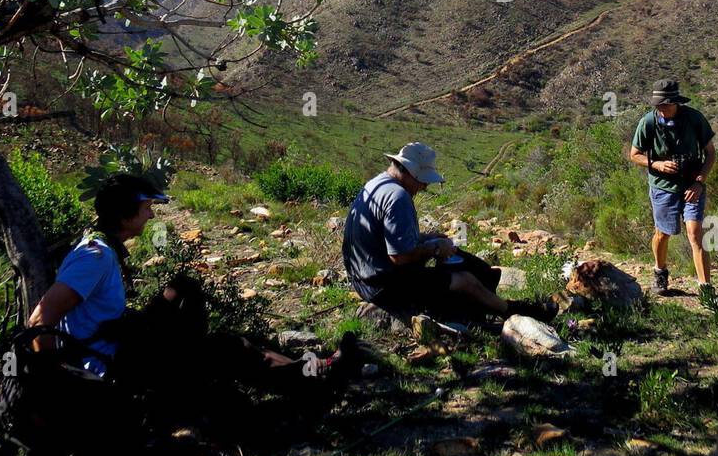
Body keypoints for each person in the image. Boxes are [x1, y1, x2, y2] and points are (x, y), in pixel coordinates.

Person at [28, 173, 357, 392]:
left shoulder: (101, 248)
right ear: (126, 216)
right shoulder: (95, 256)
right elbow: (42, 319)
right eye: (146, 208)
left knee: (194, 301)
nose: (151, 216)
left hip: (116, 347)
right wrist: (56, 381)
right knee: (227, 350)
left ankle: (307, 368)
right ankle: (316, 377)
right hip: (110, 365)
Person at [343, 142, 556, 323]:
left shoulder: (377, 184)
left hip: (363, 278)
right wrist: (435, 248)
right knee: (463, 279)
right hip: (381, 285)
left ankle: (492, 303)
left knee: (456, 260)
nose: (425, 186)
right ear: (410, 172)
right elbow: (400, 256)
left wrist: (427, 238)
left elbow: (389, 238)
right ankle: (511, 311)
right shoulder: (398, 197)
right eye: (423, 180)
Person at [628, 79, 717, 294]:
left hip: (692, 184)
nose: (661, 108)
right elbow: (634, 155)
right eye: (658, 105)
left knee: (695, 233)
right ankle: (660, 272)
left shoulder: (694, 118)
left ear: (676, 103)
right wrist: (657, 164)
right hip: (662, 186)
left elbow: (711, 152)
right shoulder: (648, 122)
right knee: (663, 233)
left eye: (665, 104)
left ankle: (706, 289)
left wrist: (699, 181)